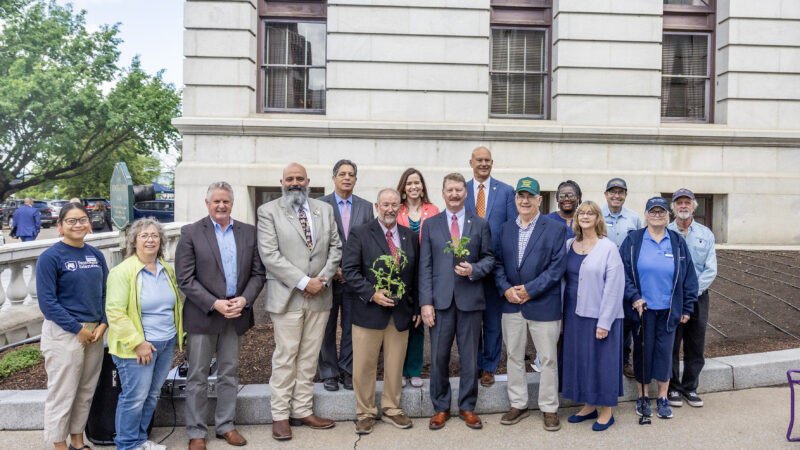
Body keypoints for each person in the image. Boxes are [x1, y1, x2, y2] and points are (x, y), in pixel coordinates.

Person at [175, 181, 266, 450]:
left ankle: (226, 425)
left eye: (226, 201)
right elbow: (185, 278)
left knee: (230, 372)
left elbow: (258, 273)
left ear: (232, 203)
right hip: (203, 314)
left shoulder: (249, 232)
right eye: (216, 201)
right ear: (207, 204)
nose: (221, 205)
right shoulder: (191, 233)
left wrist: (245, 299)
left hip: (236, 313)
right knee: (197, 375)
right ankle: (196, 431)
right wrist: (214, 303)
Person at [257, 163, 342, 441]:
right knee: (286, 357)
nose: (295, 182)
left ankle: (302, 410)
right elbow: (270, 254)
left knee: (309, 357)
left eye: (300, 178)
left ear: (308, 181)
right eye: (290, 178)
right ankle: (280, 415)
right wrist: (304, 282)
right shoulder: (268, 211)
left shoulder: (324, 210)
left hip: (321, 295)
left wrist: (322, 280)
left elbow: (336, 247)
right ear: (282, 182)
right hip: (288, 296)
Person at [419, 173, 494, 431]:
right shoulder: (431, 225)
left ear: (465, 193)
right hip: (440, 303)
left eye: (459, 190)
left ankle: (467, 406)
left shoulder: (480, 224)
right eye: (450, 190)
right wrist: (425, 303)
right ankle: (440, 408)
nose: (454, 194)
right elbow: (425, 266)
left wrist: (474, 269)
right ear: (443, 193)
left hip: (470, 300)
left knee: (470, 358)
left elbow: (489, 259)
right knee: (439, 357)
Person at [341, 189, 419, 435]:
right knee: (364, 365)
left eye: (394, 205)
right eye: (385, 204)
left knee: (395, 365)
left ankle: (392, 408)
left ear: (400, 207)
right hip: (368, 311)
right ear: (377, 207)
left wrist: (416, 306)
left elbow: (415, 274)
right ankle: (365, 413)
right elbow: (349, 270)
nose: (390, 209)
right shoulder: (360, 233)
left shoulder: (409, 236)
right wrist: (372, 293)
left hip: (400, 313)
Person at [493, 177, 566, 431]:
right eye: (520, 196)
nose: (525, 201)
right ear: (515, 199)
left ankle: (549, 408)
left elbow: (557, 268)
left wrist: (530, 290)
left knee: (547, 359)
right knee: (514, 356)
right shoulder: (505, 229)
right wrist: (506, 289)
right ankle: (518, 404)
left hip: (543, 304)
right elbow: (497, 263)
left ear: (539, 200)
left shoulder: (555, 229)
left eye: (530, 196)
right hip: (511, 304)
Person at [106, 218, 183, 450]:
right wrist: (138, 342)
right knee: (134, 397)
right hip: (138, 347)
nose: (150, 240)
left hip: (165, 343)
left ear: (161, 241)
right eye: (144, 235)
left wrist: (179, 336)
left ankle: (139, 440)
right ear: (134, 241)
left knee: (151, 395)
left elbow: (174, 306)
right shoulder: (122, 272)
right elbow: (115, 312)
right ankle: (127, 444)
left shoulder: (166, 269)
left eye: (154, 235)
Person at [37, 203, 108, 450]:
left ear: (89, 223)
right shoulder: (50, 257)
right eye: (71, 221)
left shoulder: (95, 255)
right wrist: (77, 329)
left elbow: (105, 293)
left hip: (94, 332)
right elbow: (47, 303)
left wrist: (104, 323)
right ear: (60, 225)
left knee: (85, 389)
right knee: (63, 391)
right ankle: (59, 444)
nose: (78, 225)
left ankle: (78, 441)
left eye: (82, 220)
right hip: (64, 332)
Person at [620, 197, 698, 420]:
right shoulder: (634, 240)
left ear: (667, 215)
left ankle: (662, 397)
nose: (657, 215)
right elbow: (622, 272)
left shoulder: (676, 241)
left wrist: (687, 307)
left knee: (665, 353)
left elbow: (689, 276)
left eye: (661, 212)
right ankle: (643, 396)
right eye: (652, 212)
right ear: (646, 214)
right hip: (641, 310)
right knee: (642, 353)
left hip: (668, 310)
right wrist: (634, 297)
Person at [561, 201, 625, 432]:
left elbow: (615, 287)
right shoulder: (569, 244)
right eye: (581, 213)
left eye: (590, 213)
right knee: (583, 361)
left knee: (602, 363)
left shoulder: (608, 247)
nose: (585, 216)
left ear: (598, 218)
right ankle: (589, 406)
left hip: (600, 315)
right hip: (574, 314)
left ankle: (607, 411)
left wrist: (604, 322)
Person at [318, 159, 373, 392]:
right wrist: (333, 270)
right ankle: (329, 372)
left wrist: (352, 272)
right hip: (328, 278)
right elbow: (317, 242)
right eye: (342, 174)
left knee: (352, 327)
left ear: (356, 179)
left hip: (355, 279)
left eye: (351, 174)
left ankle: (348, 370)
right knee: (326, 327)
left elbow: (369, 242)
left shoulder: (366, 207)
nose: (347, 178)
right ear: (334, 178)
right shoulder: (320, 205)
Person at [464, 146, 517, 387]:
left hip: (496, 267)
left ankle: (489, 367)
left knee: (493, 321)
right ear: (471, 163)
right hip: (469, 268)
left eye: (487, 160)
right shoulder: (462, 190)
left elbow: (510, 229)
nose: (483, 164)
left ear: (492, 163)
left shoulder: (506, 191)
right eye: (479, 160)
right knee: (472, 320)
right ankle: (474, 364)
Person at [667, 188, 717, 408]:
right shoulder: (665, 232)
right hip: (672, 298)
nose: (683, 206)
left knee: (695, 343)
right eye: (679, 203)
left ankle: (690, 387)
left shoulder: (706, 234)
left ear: (694, 206)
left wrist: (691, 292)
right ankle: (673, 387)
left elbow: (710, 269)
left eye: (687, 202)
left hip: (698, 297)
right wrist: (678, 294)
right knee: (671, 343)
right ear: (673, 207)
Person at [396, 167, 439, 388]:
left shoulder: (433, 210)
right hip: (401, 272)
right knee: (401, 322)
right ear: (404, 187)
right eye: (409, 183)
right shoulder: (397, 208)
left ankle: (414, 370)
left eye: (417, 182)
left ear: (422, 186)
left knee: (419, 321)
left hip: (425, 272)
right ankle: (399, 370)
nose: (413, 186)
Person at [602, 177, 642, 379]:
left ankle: (624, 360)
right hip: (603, 275)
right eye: (613, 192)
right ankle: (605, 358)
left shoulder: (634, 218)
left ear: (625, 195)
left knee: (625, 318)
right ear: (606, 194)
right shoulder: (597, 215)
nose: (616, 196)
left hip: (626, 277)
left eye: (620, 192)